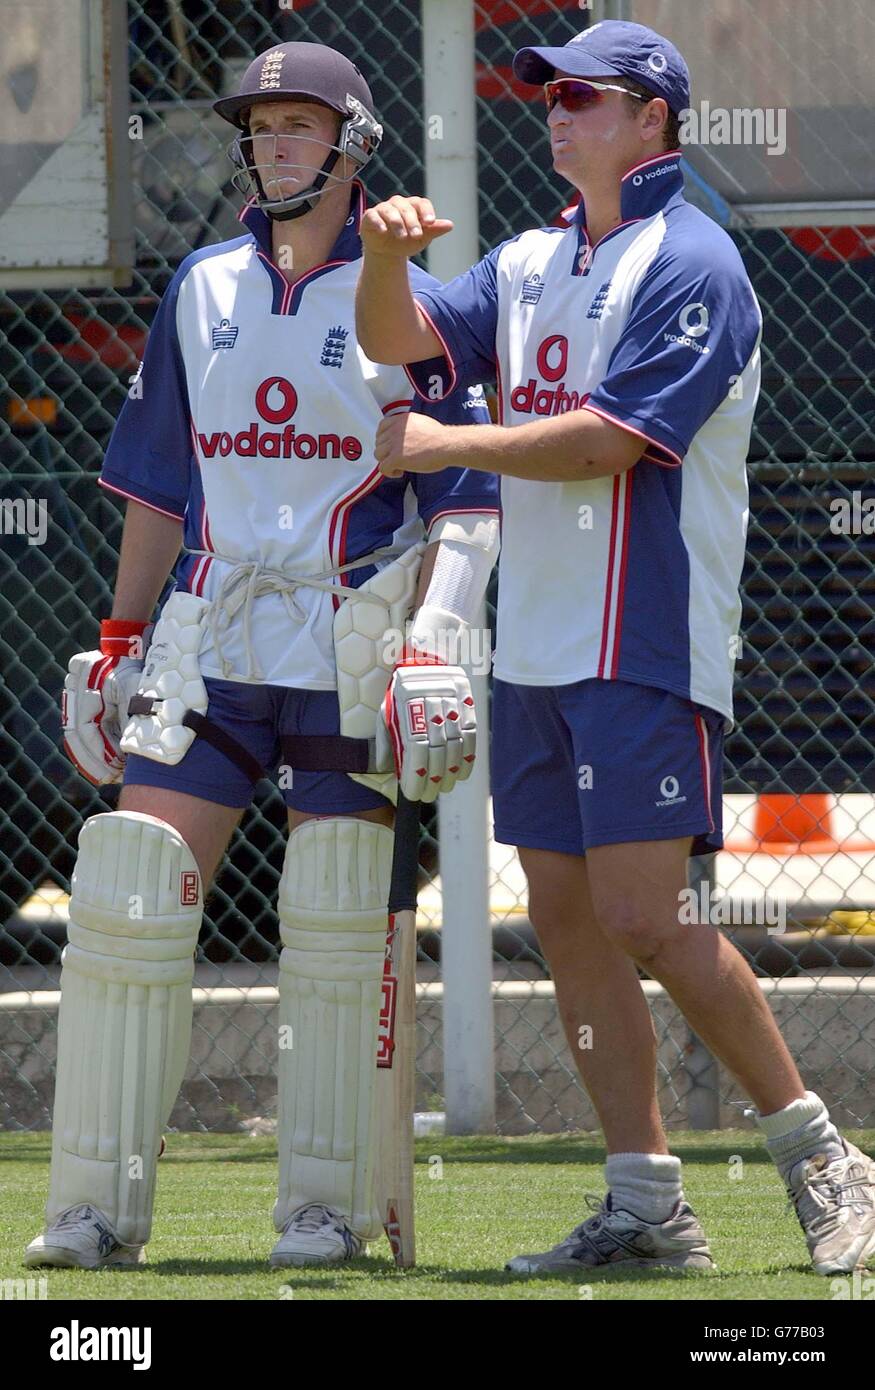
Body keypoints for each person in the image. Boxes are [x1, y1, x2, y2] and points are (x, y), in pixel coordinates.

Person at [355, 19, 875, 1276]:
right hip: (531, 644)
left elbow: (605, 440)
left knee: (644, 914)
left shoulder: (697, 260)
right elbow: (395, 341)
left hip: (643, 636)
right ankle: (646, 1202)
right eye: (545, 93)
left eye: (583, 96)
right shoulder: (531, 256)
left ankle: (822, 1156)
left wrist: (441, 446)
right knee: (572, 925)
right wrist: (378, 257)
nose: (554, 111)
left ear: (654, 119)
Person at [26, 41, 499, 1272]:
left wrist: (439, 634)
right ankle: (95, 1207)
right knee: (129, 892)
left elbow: (463, 497)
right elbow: (153, 488)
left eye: (301, 126)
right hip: (211, 635)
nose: (276, 145)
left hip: (351, 638)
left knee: (340, 924)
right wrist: (117, 640)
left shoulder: (408, 299)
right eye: (262, 127)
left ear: (351, 147)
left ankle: (324, 1211)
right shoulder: (201, 284)